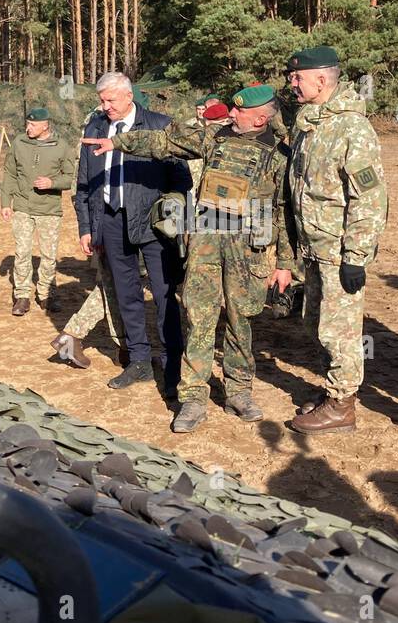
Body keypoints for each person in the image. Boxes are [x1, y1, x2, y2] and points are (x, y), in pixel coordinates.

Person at [84, 84, 293, 432]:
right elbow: (165, 142)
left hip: (248, 248)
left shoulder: (278, 154)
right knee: (199, 318)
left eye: (239, 112)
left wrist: (285, 264)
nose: (231, 114)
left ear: (261, 117)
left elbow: (285, 211)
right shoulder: (215, 138)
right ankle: (193, 398)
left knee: (241, 320)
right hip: (208, 240)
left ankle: (239, 392)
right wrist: (118, 143)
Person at [283, 46, 388, 433]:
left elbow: (370, 197)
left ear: (322, 80)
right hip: (313, 245)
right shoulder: (310, 122)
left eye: (297, 78)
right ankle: (332, 390)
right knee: (316, 323)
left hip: (338, 248)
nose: (292, 83)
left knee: (339, 329)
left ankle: (342, 404)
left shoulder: (351, 128)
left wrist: (356, 255)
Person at [73, 72, 189, 392]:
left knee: (164, 294)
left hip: (154, 222)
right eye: (101, 100)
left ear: (128, 96)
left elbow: (181, 180)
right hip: (111, 219)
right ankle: (139, 361)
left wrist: (172, 216)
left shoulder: (159, 124)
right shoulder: (95, 127)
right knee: (127, 294)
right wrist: (87, 226)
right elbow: (84, 181)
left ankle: (171, 363)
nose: (104, 105)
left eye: (110, 99)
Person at [0, 107, 74, 316]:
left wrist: (52, 182)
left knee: (48, 255)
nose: (27, 128)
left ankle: (46, 294)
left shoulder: (62, 146)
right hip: (22, 207)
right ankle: (22, 296)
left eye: (32, 125)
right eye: (27, 124)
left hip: (49, 210)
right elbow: (10, 174)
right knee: (22, 252)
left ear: (45, 126)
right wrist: (6, 203)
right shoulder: (19, 143)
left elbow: (70, 177)